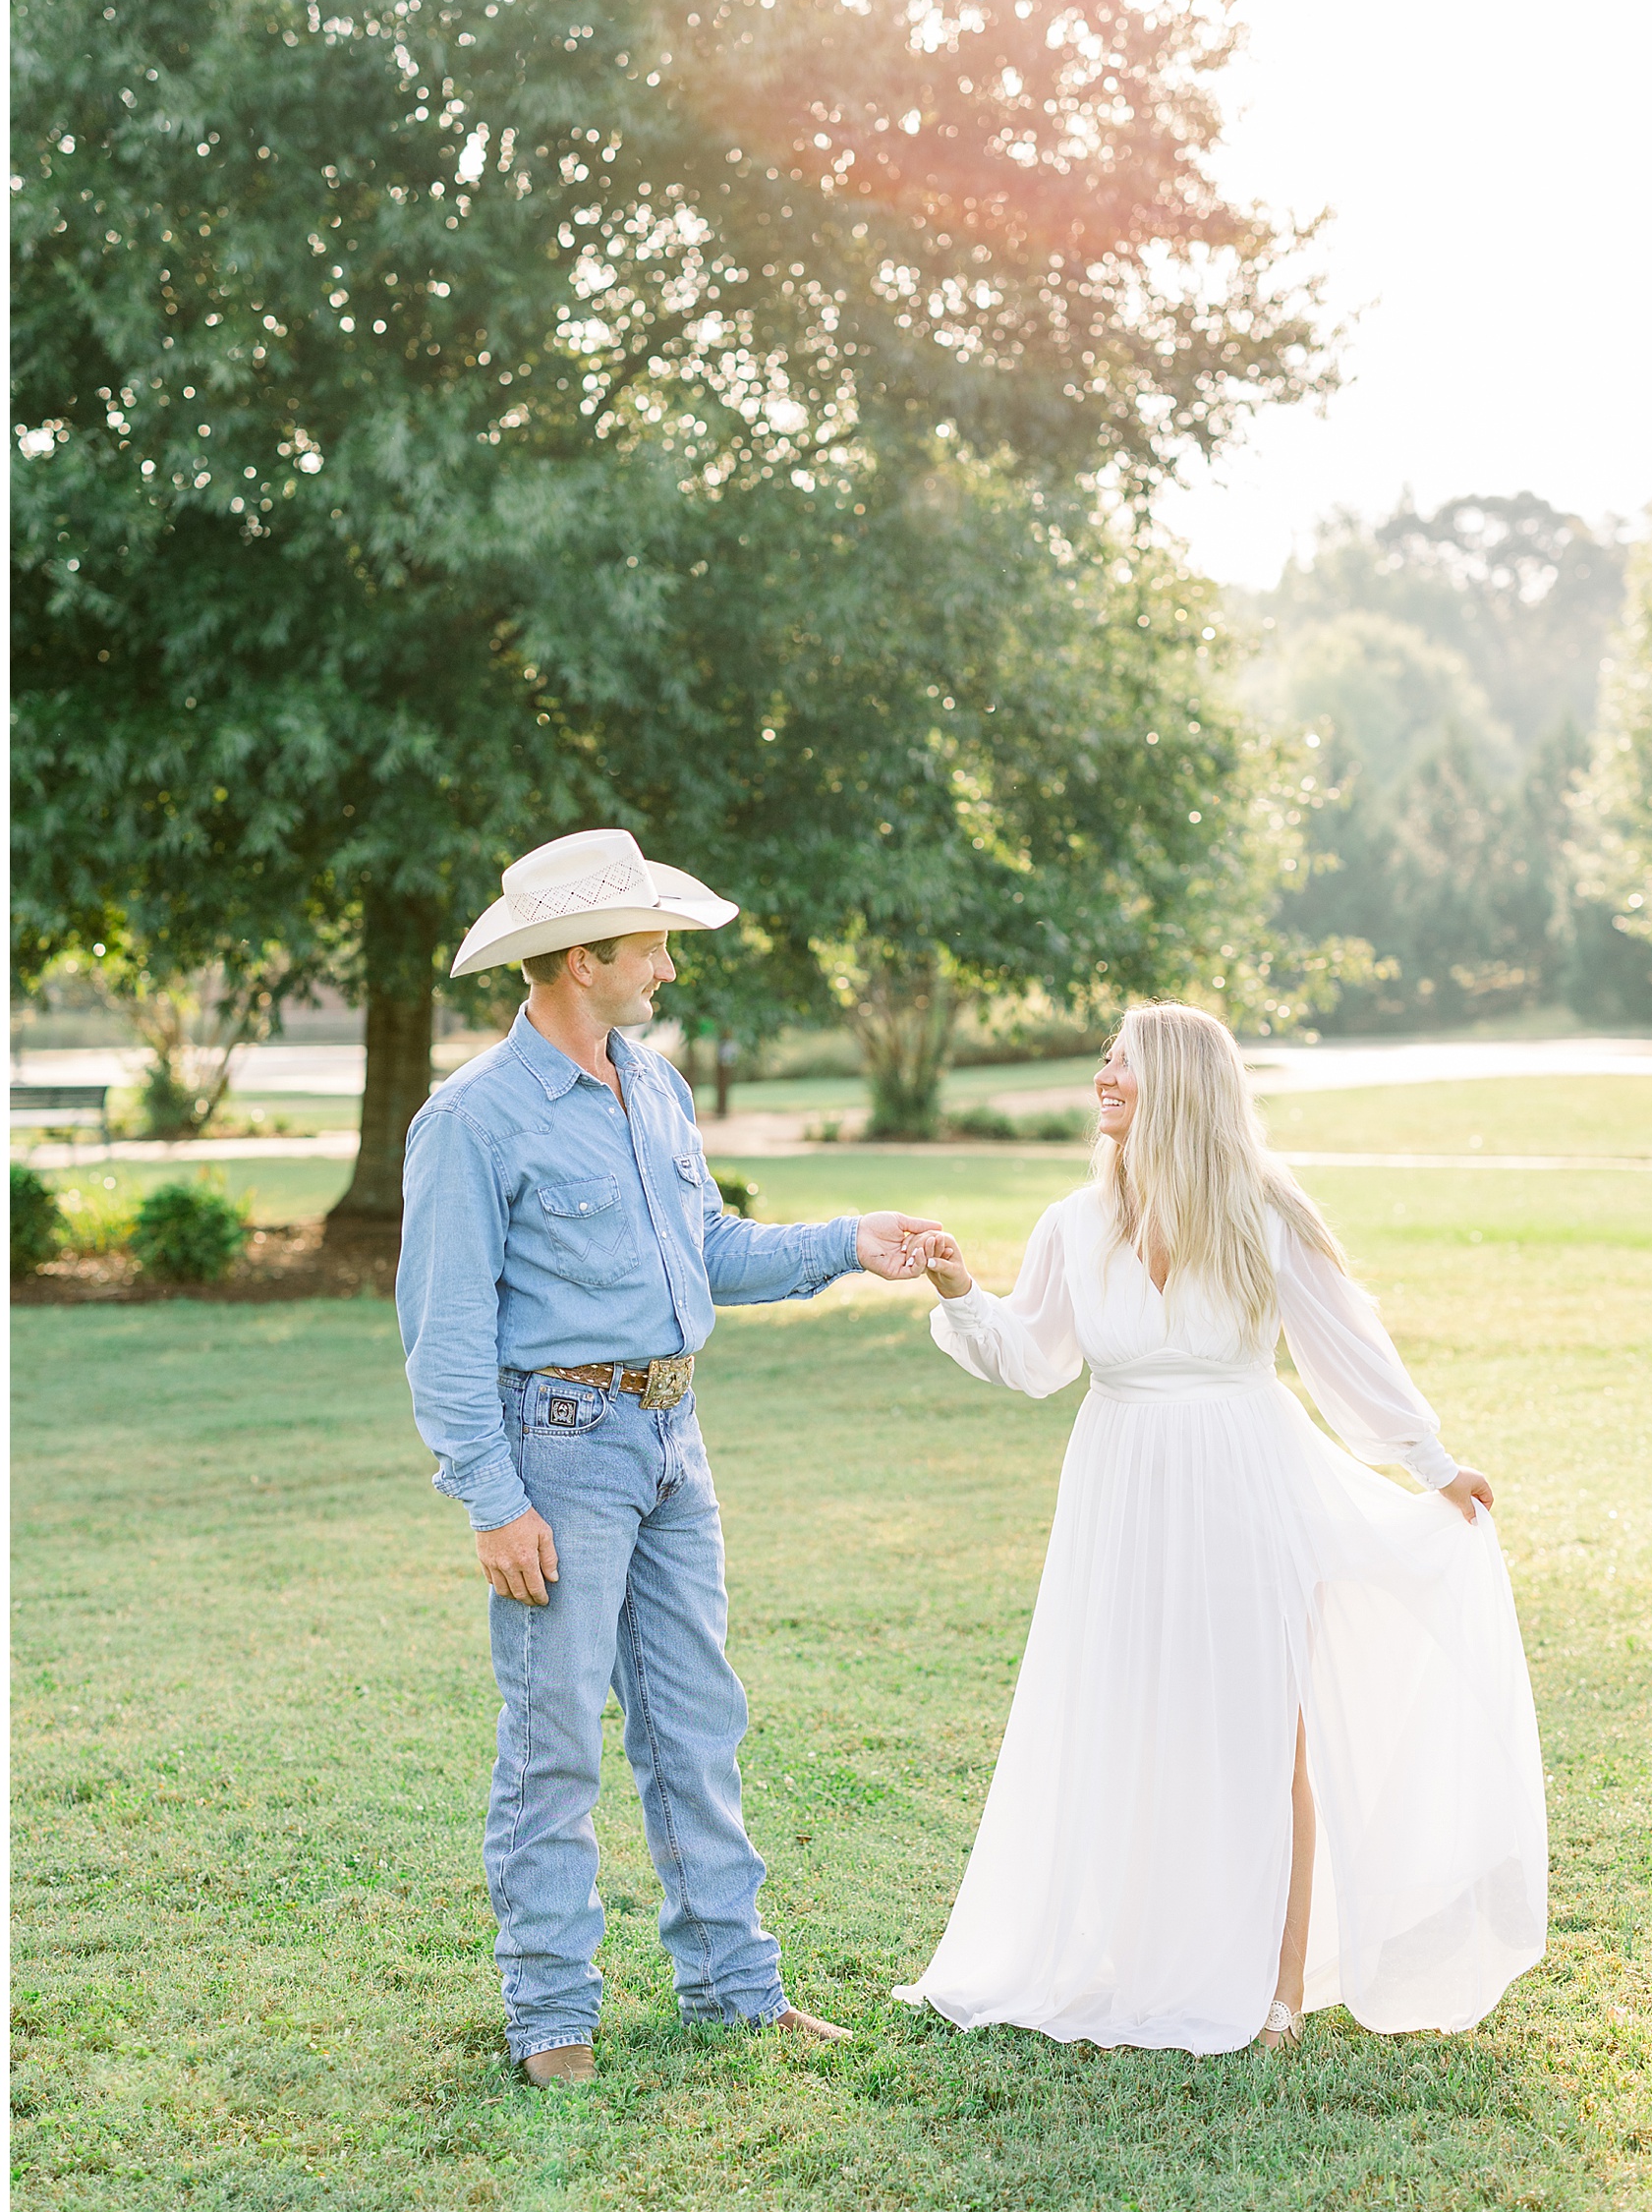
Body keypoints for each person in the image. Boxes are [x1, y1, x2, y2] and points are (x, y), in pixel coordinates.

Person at [397, 827, 945, 2085]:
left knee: (696, 1725)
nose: (667, 966)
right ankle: (550, 2022)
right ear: (579, 957)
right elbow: (443, 1335)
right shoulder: (472, 1121)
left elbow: (709, 1252)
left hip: (672, 1439)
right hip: (560, 1449)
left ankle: (734, 1989)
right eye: (648, 943)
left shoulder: (657, 1088)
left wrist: (852, 1239)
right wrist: (494, 1500)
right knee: (553, 1743)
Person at [895, 1001, 1547, 2055]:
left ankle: (1280, 1987)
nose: (1102, 1077)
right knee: (1133, 1719)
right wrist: (961, 1285)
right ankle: (1140, 1962)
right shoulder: (1074, 1222)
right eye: (1103, 1061)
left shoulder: (1262, 1213)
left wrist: (1430, 1462)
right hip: (1118, 1488)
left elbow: (1349, 1349)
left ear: (1181, 1084)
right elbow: (1030, 1358)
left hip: (1246, 1481)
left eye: (1123, 1062)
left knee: (1264, 1729)